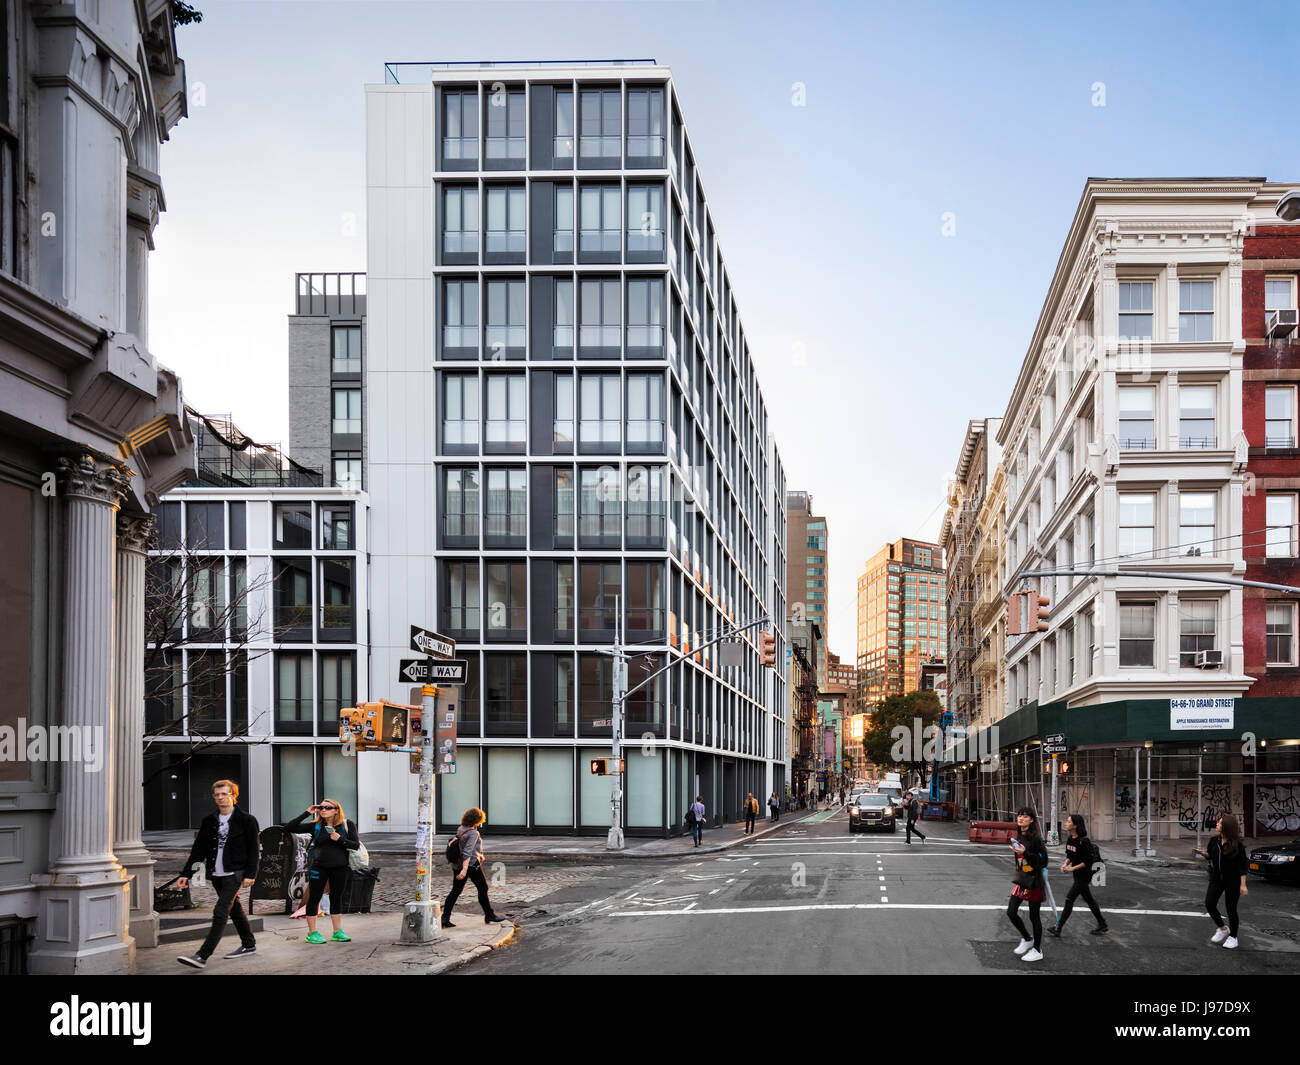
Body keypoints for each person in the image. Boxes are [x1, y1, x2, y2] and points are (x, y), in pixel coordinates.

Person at [176, 779, 260, 968]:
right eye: (217, 795)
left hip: (235, 872)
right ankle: (249, 944)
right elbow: (198, 850)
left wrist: (250, 874)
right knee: (235, 909)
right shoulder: (209, 821)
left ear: (233, 796)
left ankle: (202, 956)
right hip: (216, 874)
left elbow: (254, 850)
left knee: (221, 911)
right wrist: (186, 873)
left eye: (225, 794)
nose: (221, 798)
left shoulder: (247, 820)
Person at [286, 799, 360, 943]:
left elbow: (355, 845)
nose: (323, 810)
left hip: (340, 868)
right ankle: (312, 933)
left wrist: (339, 839)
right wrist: (307, 812)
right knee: (314, 898)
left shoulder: (347, 824)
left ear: (336, 810)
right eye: (321, 807)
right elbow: (289, 827)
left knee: (336, 898)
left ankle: (337, 932)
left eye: (327, 807)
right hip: (319, 868)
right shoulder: (316, 826)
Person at [1195, 813, 1249, 949]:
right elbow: (1211, 856)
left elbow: (1242, 866)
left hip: (1233, 880)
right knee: (1209, 903)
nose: (1217, 824)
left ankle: (1233, 937)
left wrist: (1243, 885)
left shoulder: (1237, 845)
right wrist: (1203, 854)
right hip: (1216, 878)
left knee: (1231, 909)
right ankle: (1223, 928)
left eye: (1219, 823)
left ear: (1226, 827)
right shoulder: (1214, 840)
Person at [443, 807, 504, 927]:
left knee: (455, 891)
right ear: (477, 819)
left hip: (457, 865)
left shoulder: (461, 829)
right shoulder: (473, 833)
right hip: (470, 866)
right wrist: (465, 870)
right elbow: (467, 851)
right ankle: (489, 915)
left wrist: (479, 854)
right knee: (483, 888)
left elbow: (462, 846)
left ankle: (445, 918)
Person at [1049, 814, 1107, 937]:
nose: (1066, 823)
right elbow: (1070, 855)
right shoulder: (1070, 839)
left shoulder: (1084, 841)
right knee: (1089, 899)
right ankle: (1102, 924)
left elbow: (1088, 861)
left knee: (1069, 899)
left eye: (1068, 821)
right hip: (1077, 873)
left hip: (1084, 875)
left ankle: (1058, 927)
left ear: (1075, 825)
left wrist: (1071, 868)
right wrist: (1065, 864)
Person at [1006, 806, 1048, 963]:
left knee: (1034, 917)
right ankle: (1027, 938)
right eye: (1019, 815)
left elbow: (1044, 861)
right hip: (1022, 880)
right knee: (1011, 912)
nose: (1021, 818)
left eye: (1024, 816)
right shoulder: (1019, 835)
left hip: (1034, 882)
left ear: (1031, 820)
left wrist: (1025, 853)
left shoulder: (1035, 838)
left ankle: (1038, 950)